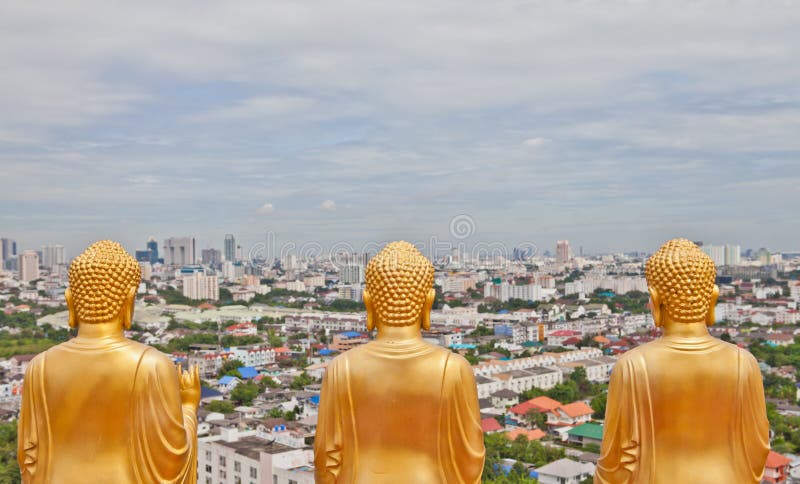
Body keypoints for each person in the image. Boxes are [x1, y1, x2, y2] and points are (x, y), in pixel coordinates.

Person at [18, 240, 199, 483]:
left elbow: (29, 459)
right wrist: (188, 406)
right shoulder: (150, 364)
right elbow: (172, 463)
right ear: (130, 299)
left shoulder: (39, 367)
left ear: (70, 300)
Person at [595, 239, 769, 483]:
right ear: (712, 298)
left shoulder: (633, 366)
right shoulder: (743, 363)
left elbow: (614, 464)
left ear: (654, 300)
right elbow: (757, 450)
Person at [314, 241, 485, 483]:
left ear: (368, 300)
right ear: (428, 301)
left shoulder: (341, 368)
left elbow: (325, 460)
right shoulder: (453, 368)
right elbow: (470, 462)